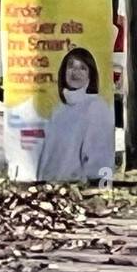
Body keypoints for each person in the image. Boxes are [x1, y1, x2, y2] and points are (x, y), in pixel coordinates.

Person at [37, 47, 114, 182]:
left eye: (82, 68)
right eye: (71, 66)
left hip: (79, 193)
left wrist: (94, 192)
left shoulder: (96, 107)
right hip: (52, 192)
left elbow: (100, 160)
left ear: (91, 75)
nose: (75, 72)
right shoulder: (59, 111)